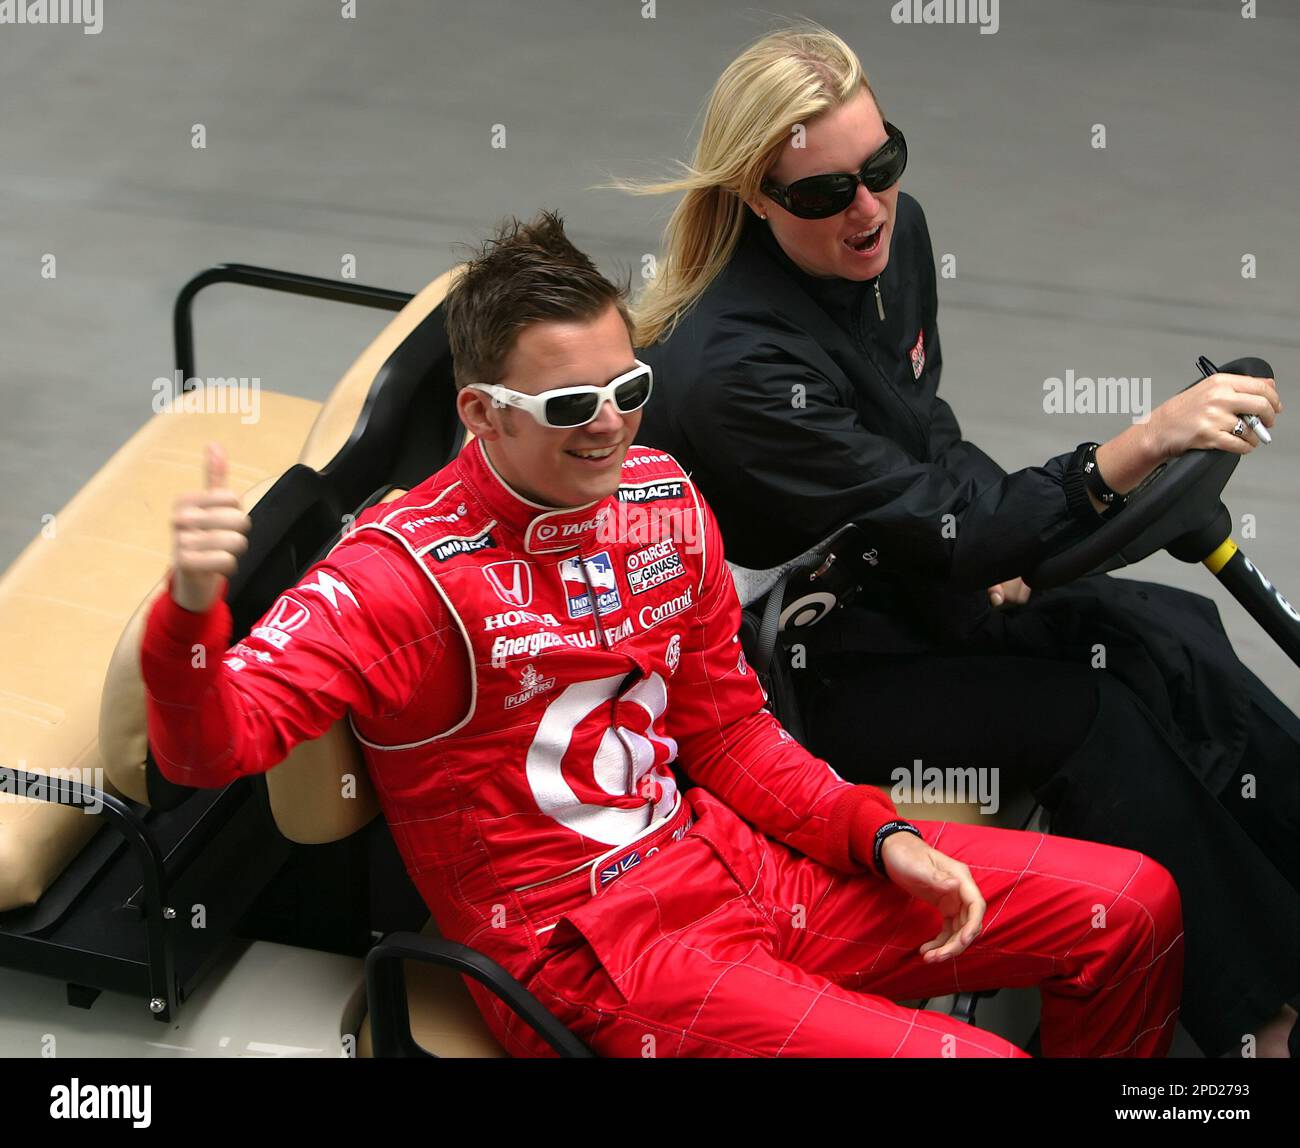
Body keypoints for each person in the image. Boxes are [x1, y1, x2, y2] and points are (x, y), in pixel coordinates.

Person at [139, 212, 1183, 1058]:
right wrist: (190, 608)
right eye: (570, 402)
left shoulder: (659, 496)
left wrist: (880, 835)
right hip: (586, 954)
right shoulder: (394, 579)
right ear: (481, 412)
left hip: (722, 863)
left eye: (629, 389)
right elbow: (207, 746)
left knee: (1131, 906)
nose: (610, 423)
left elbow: (728, 733)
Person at [624, 22, 1299, 1057]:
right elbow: (940, 516)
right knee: (1091, 713)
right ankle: (1264, 1019)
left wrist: (1014, 544)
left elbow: (923, 440)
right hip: (788, 672)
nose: (867, 207)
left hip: (888, 578)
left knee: (1174, 630)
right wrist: (1136, 445)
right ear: (755, 197)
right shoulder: (737, 374)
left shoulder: (891, 246)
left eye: (881, 165)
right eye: (824, 193)